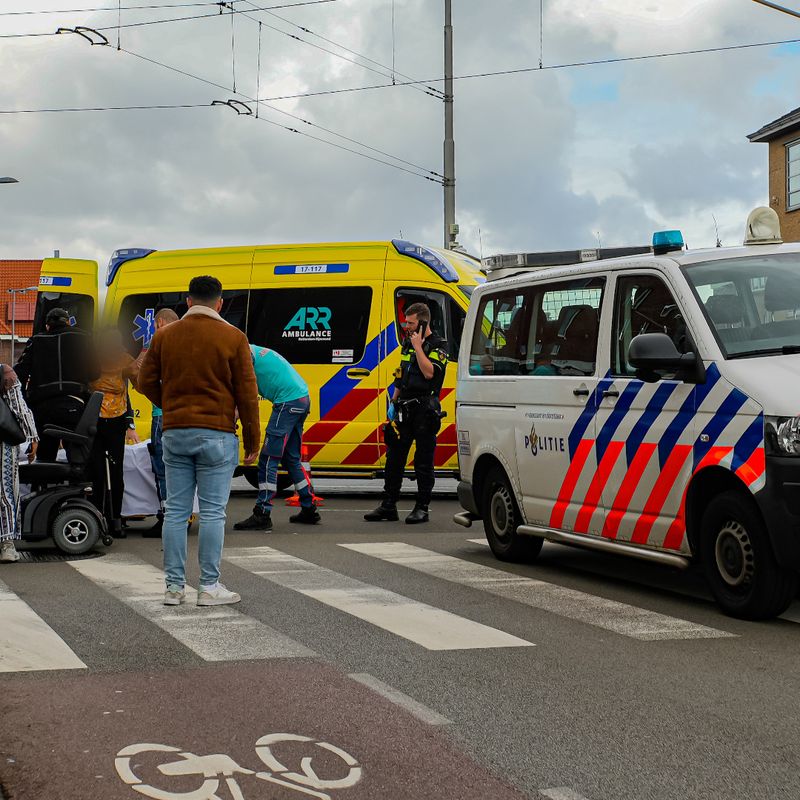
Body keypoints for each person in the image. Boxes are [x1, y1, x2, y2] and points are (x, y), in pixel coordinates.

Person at [138, 275, 260, 607]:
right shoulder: (234, 337)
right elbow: (248, 395)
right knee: (212, 513)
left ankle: (174, 589)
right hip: (217, 433)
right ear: (219, 303)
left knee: (176, 511)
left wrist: (169, 403)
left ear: (188, 302)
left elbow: (143, 379)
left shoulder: (165, 335)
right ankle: (209, 587)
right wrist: (252, 441)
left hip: (175, 432)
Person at [365, 302, 449, 525]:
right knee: (394, 459)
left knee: (423, 462)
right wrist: (393, 401)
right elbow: (401, 374)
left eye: (411, 323)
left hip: (425, 409)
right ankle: (388, 505)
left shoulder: (438, 345)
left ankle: (422, 508)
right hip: (404, 408)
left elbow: (430, 373)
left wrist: (419, 347)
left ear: (423, 322)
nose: (407, 327)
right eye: (406, 322)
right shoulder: (407, 343)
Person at [234, 345, 320, 532]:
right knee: (291, 459)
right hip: (301, 398)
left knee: (267, 459)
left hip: (287, 402)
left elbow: (247, 392)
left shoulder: (242, 351)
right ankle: (308, 507)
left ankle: (262, 513)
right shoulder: (251, 349)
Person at [14, 307, 98, 463]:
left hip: (44, 408)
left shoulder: (36, 340)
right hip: (74, 403)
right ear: (67, 322)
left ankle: (42, 484)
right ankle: (80, 485)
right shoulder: (83, 337)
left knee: (45, 457)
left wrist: (26, 401)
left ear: (47, 325)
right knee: (77, 454)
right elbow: (96, 372)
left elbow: (19, 373)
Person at [89, 327, 140, 536]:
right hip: (117, 419)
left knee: (97, 473)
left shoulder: (92, 360)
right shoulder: (125, 359)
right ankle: (116, 520)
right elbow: (138, 383)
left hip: (95, 419)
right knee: (116, 472)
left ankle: (97, 515)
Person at [135, 308, 179, 538]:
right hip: (181, 413)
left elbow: (142, 379)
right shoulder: (187, 341)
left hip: (162, 413)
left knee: (162, 469)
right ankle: (181, 516)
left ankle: (165, 518)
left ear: (160, 322)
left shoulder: (159, 342)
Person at [0, 364, 38, 563]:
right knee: (5, 491)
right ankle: (6, 545)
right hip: (3, 443)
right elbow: (19, 408)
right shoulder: (5, 373)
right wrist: (32, 436)